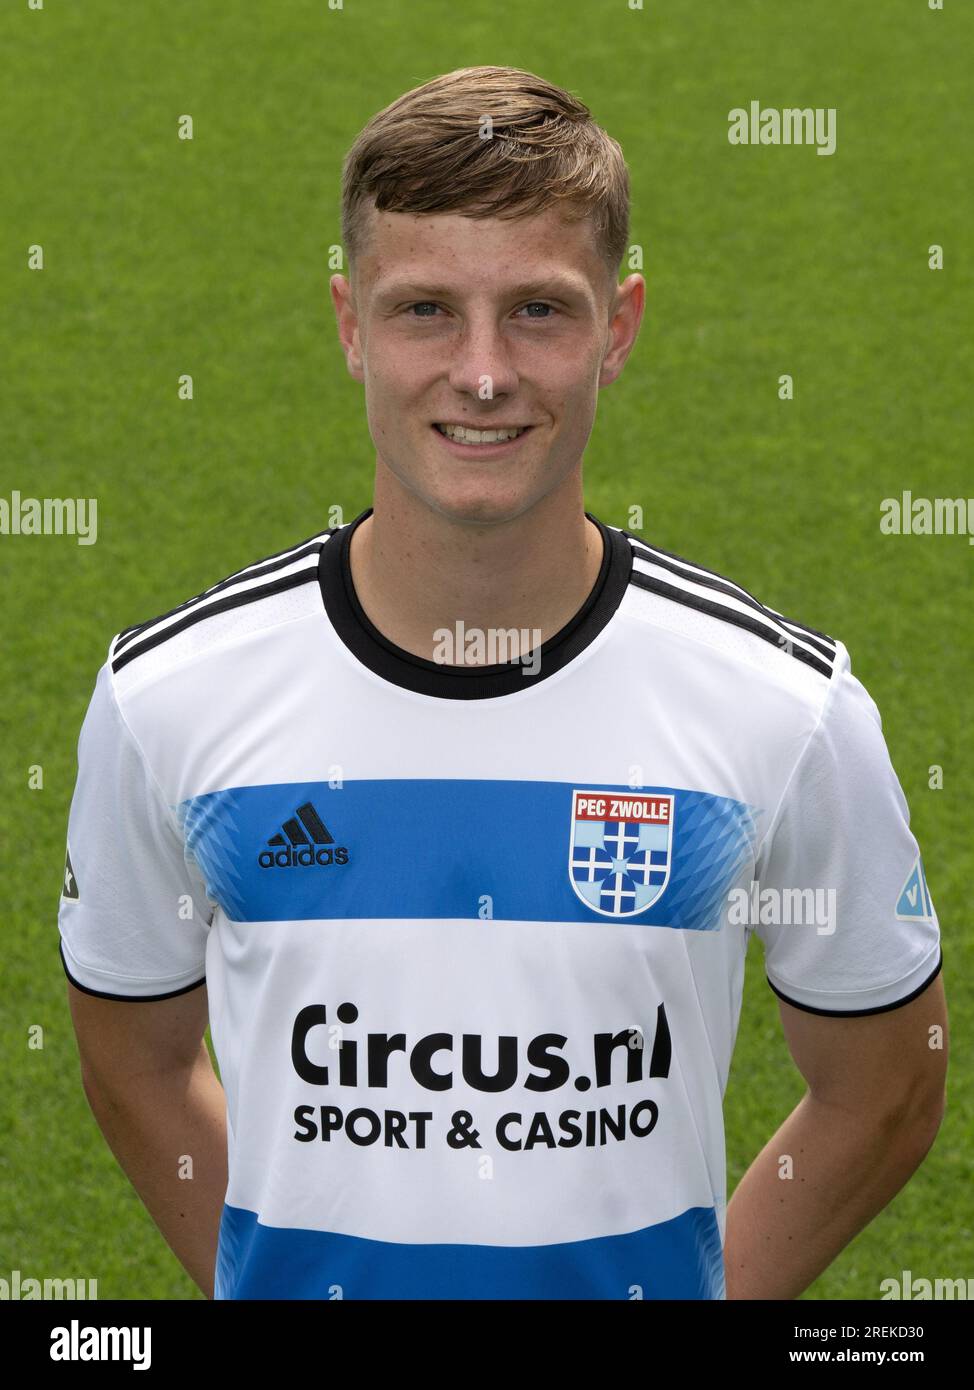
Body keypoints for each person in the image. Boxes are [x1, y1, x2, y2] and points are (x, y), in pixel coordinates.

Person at [59, 65, 947, 1301]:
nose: (481, 374)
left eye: (537, 310)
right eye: (424, 310)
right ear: (348, 323)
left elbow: (887, 1086)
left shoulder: (781, 709)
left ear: (619, 326)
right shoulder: (168, 699)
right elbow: (133, 1061)